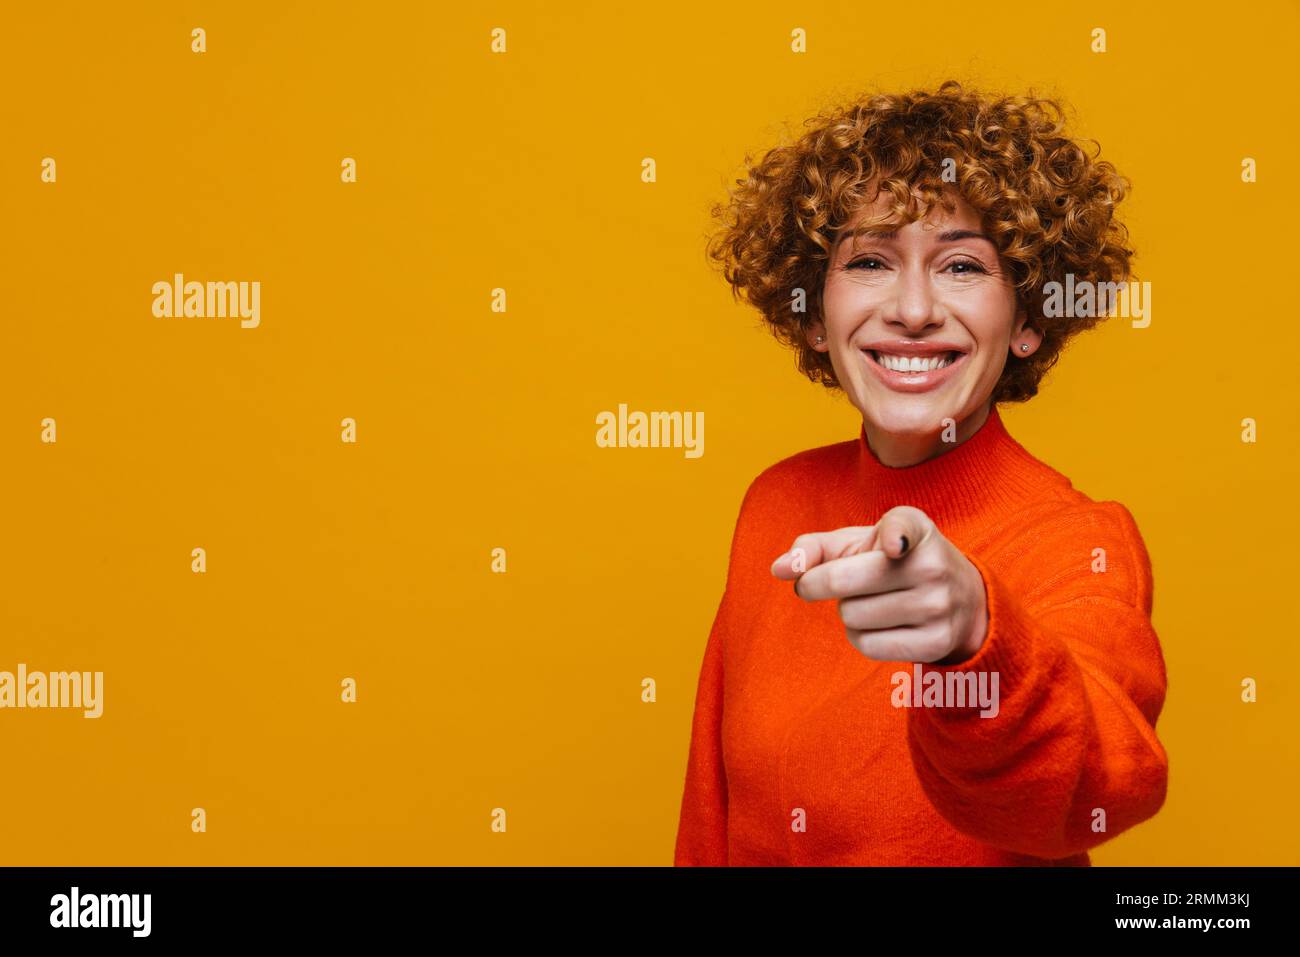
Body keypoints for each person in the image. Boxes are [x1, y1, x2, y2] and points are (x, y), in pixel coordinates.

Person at [674, 81, 1168, 865]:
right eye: (870, 260)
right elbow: (714, 823)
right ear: (812, 311)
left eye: (962, 267)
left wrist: (977, 638)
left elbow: (1099, 787)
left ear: (1029, 318)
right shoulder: (778, 501)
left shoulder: (1081, 541)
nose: (912, 308)